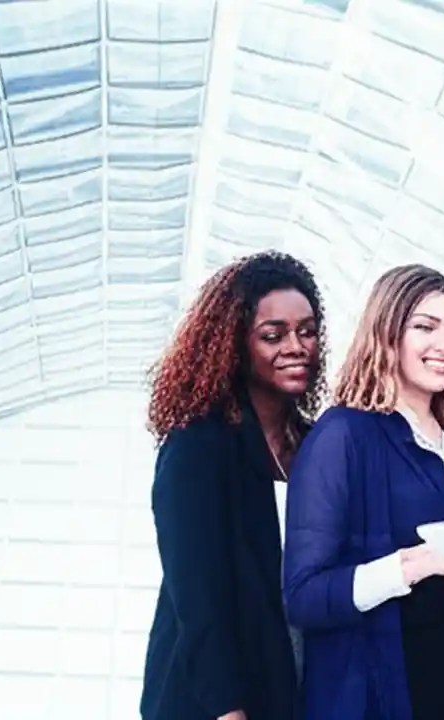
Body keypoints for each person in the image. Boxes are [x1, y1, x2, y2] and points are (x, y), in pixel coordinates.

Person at [283, 264, 444, 720]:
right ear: (387, 333)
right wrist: (414, 565)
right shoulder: (343, 434)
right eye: (425, 327)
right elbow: (303, 596)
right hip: (380, 691)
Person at [140, 251, 328, 720]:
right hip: (211, 700)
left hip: (296, 688)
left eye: (307, 331)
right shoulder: (197, 445)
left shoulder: (318, 445)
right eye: (273, 335)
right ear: (233, 345)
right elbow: (197, 598)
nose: (296, 346)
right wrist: (228, 709)